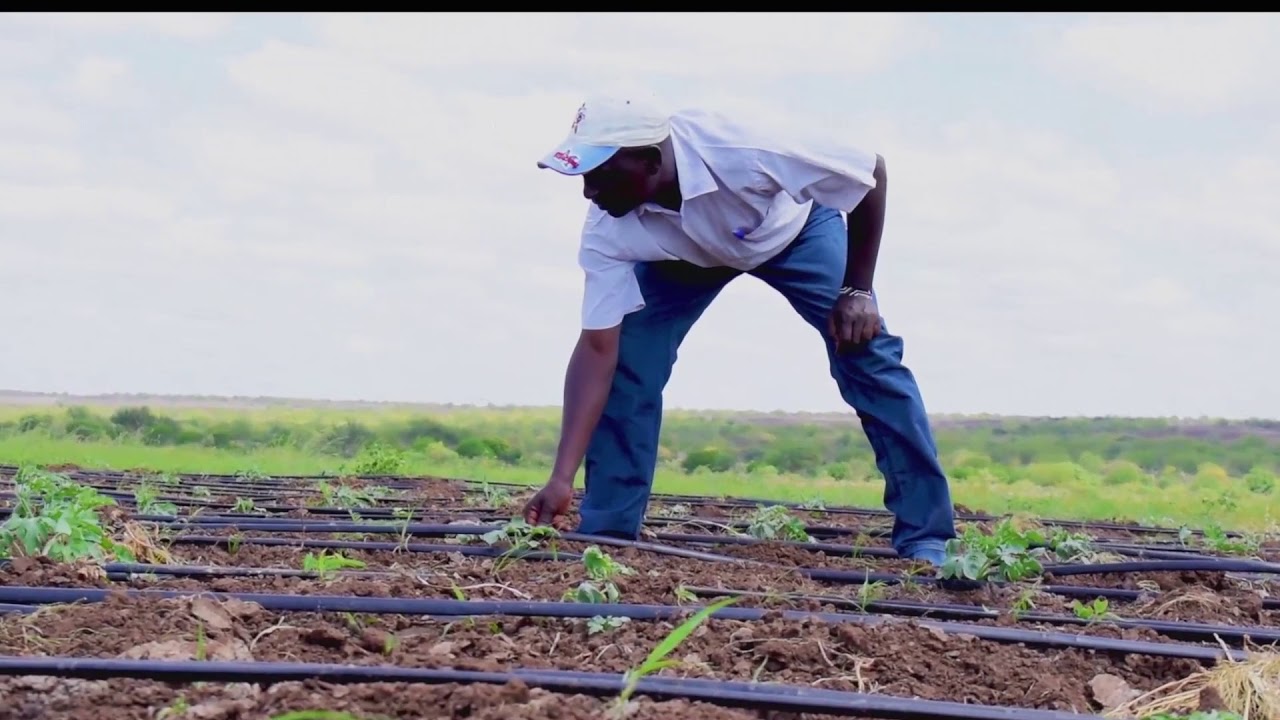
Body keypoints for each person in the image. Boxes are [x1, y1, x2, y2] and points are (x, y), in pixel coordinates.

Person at [520, 95, 957, 566]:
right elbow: (597, 348)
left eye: (598, 174)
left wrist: (858, 289)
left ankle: (927, 536)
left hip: (793, 232)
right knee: (629, 361)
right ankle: (608, 530)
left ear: (649, 161)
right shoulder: (610, 227)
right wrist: (562, 477)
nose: (588, 192)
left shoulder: (743, 149)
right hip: (685, 258)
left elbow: (871, 173)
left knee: (868, 352)